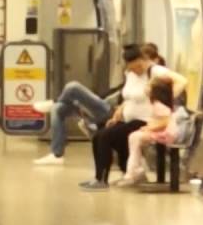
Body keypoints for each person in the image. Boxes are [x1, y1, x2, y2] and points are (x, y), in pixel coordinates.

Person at [79, 45, 186, 191]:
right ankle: (99, 177)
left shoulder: (154, 70)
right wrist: (119, 112)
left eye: (138, 67)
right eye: (132, 68)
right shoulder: (129, 74)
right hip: (129, 119)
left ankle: (103, 180)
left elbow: (182, 81)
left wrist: (163, 99)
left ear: (143, 60)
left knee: (105, 136)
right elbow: (128, 97)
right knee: (98, 135)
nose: (136, 70)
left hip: (145, 120)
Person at [119, 76, 176, 186]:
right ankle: (136, 168)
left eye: (149, 86)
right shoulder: (156, 104)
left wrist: (149, 128)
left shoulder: (159, 105)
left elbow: (165, 121)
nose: (146, 88)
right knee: (134, 139)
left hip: (165, 134)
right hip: (161, 133)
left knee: (134, 138)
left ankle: (133, 170)